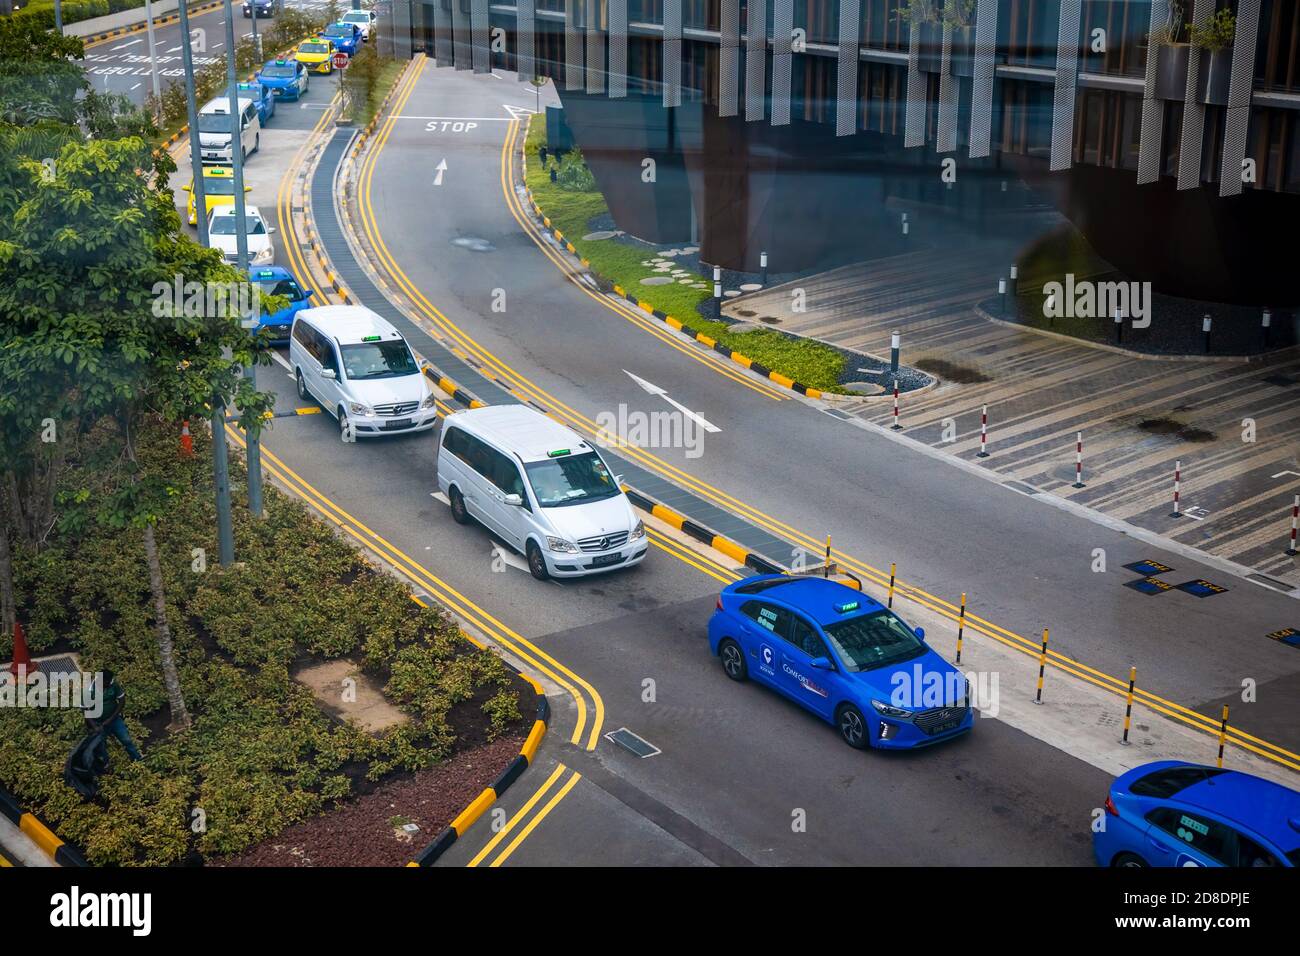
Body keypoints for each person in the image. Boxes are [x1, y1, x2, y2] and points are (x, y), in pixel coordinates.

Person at [85, 670, 142, 763]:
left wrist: (111, 718)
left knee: (126, 739)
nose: (110, 683)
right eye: (107, 682)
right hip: (97, 723)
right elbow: (86, 711)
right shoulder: (89, 690)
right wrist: (94, 727)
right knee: (101, 746)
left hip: (114, 720)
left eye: (110, 681)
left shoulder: (113, 684)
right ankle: (106, 765)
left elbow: (122, 701)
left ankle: (137, 758)